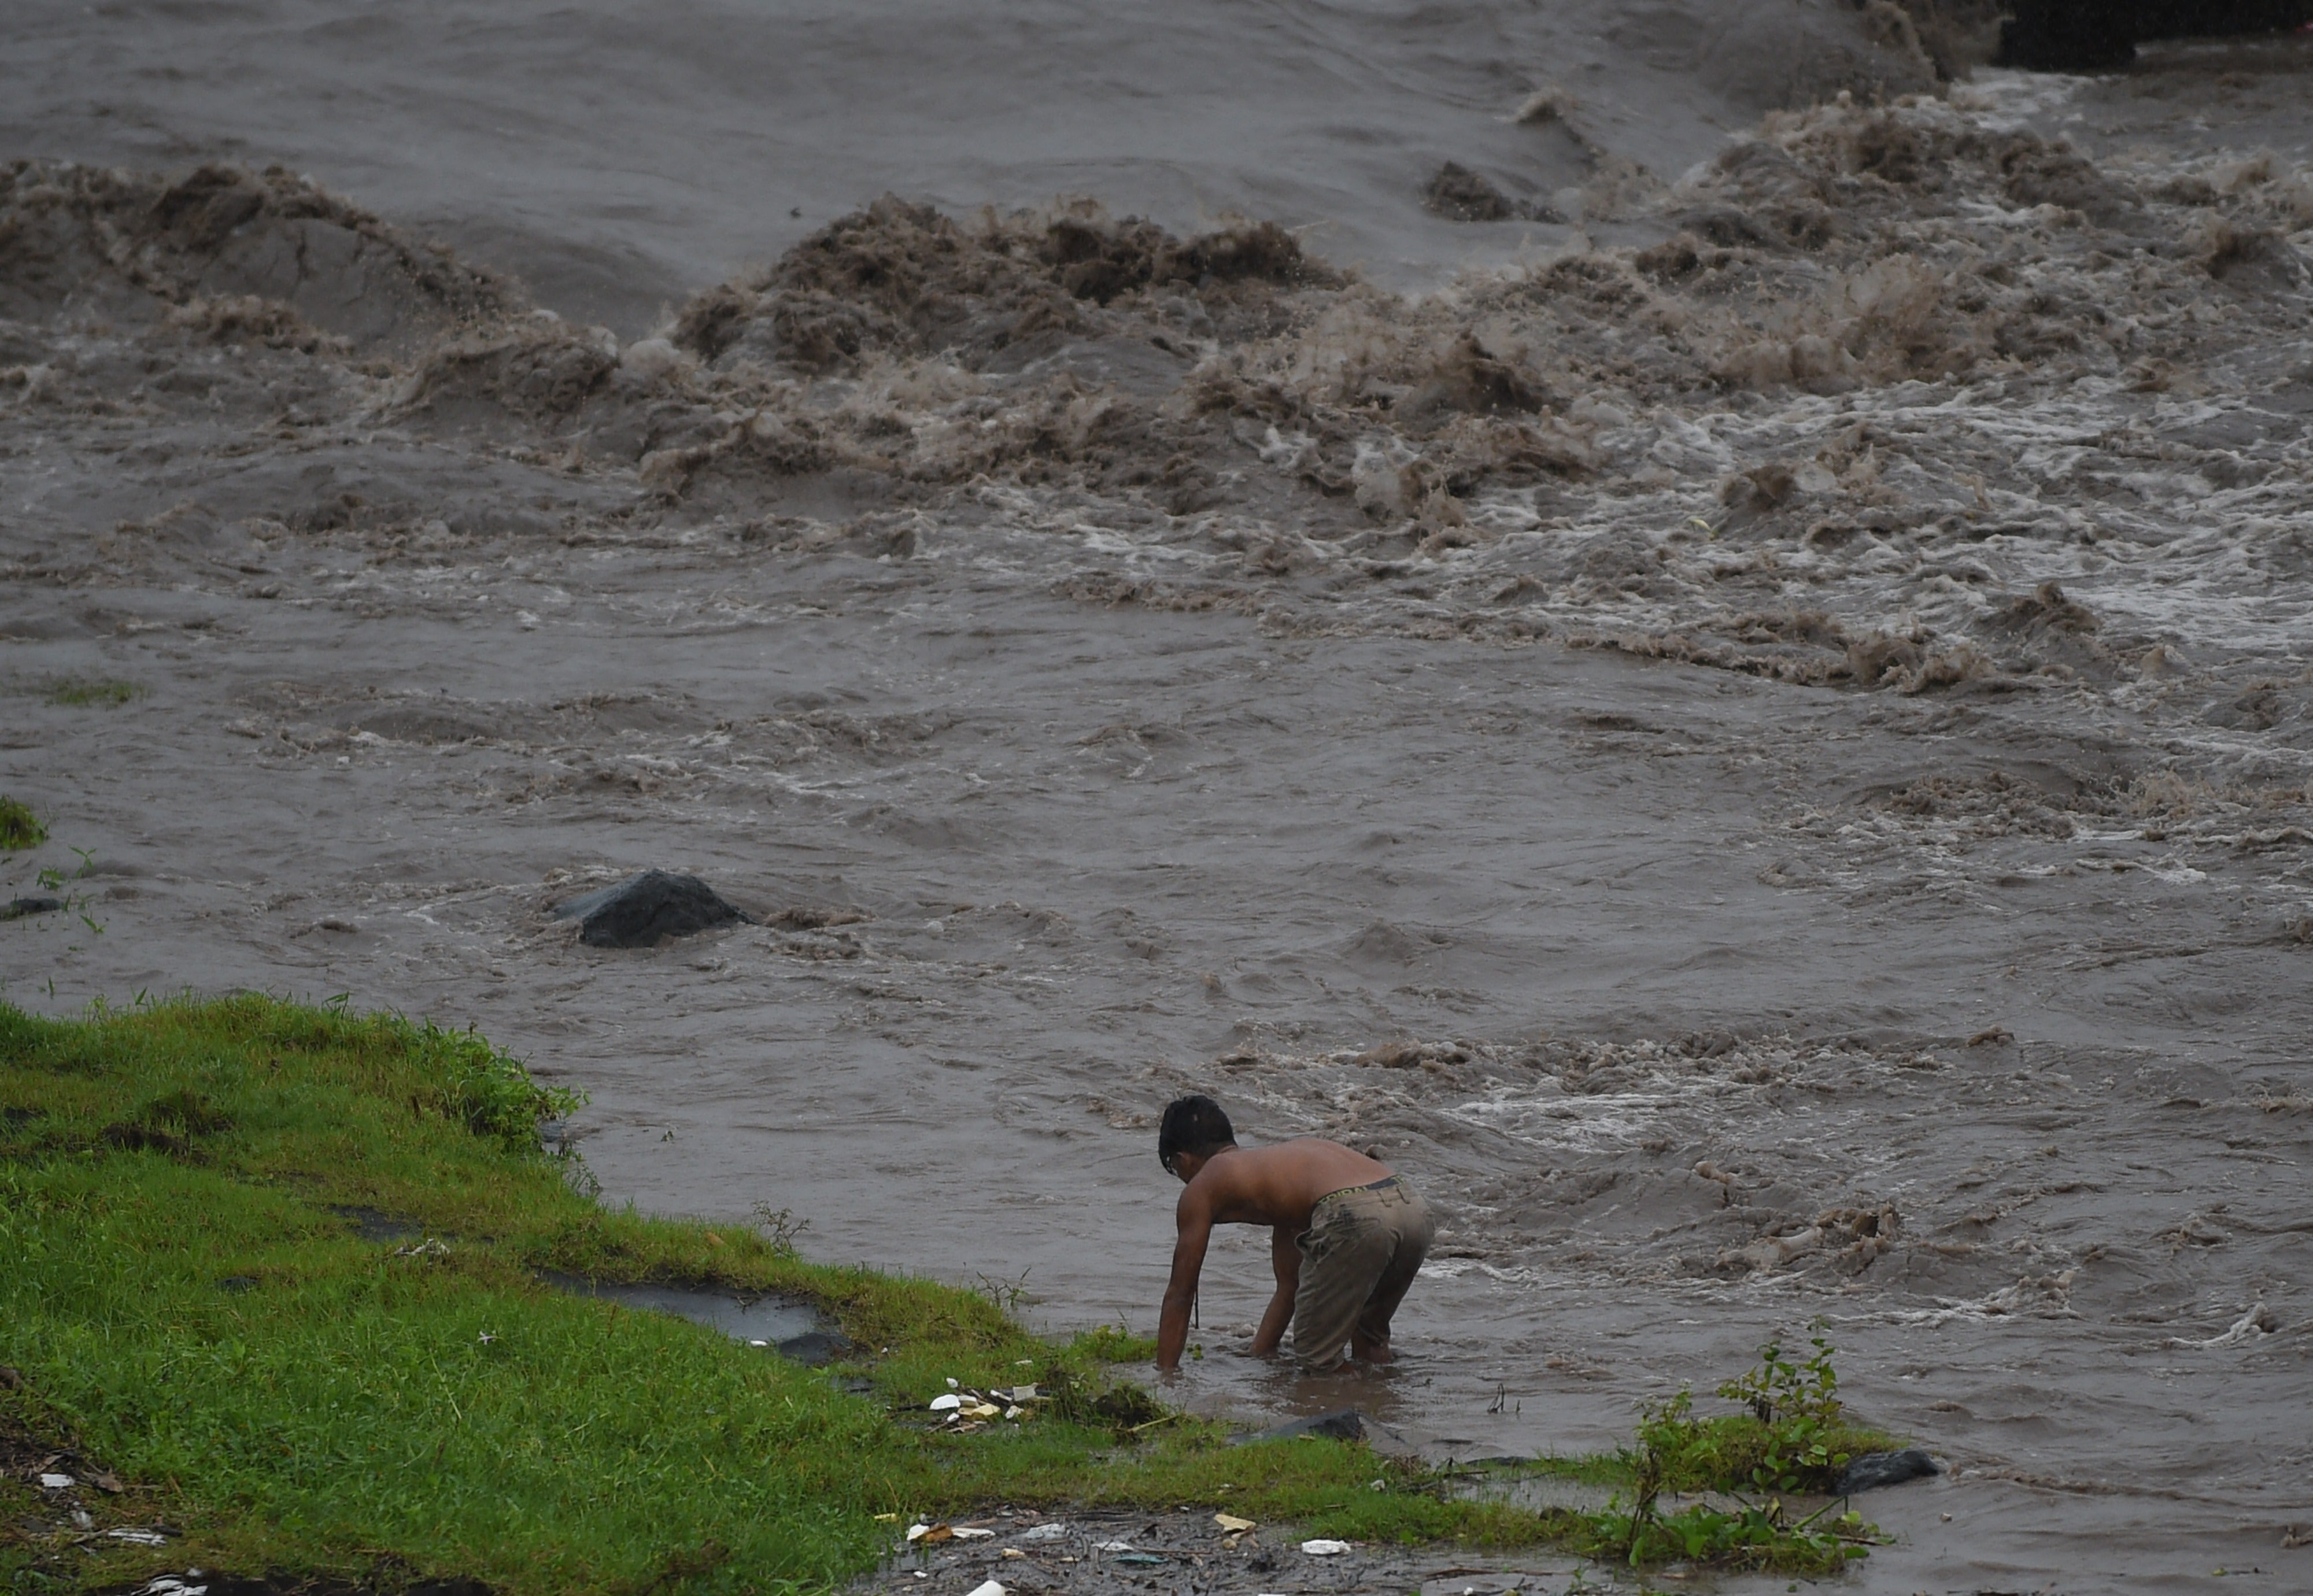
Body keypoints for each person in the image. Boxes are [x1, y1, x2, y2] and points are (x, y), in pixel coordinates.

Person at [1153, 1094, 1433, 1373]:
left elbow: (1181, 1292)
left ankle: (1353, 1409)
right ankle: (1383, 1408)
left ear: (1183, 1159)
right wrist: (1260, 1354)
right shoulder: (1277, 1172)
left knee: (1318, 1358)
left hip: (1355, 1214)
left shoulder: (1203, 1185)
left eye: (1175, 1169)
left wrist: (1165, 1378)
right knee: (1369, 1340)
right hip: (1412, 1210)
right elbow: (1290, 1285)